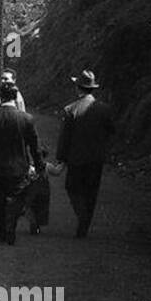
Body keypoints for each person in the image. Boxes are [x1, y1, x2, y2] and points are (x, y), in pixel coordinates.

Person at [0, 82, 43, 244]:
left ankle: (0, 234)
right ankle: (10, 228)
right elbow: (35, 147)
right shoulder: (26, 119)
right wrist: (39, 165)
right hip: (18, 168)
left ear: (0, 97)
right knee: (16, 200)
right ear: (15, 97)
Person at [55, 69, 115, 238]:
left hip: (76, 158)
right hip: (96, 158)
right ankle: (85, 223)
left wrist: (61, 158)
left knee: (72, 187)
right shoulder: (104, 109)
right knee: (91, 191)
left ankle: (82, 216)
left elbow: (65, 137)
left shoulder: (71, 109)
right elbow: (111, 132)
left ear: (77, 88)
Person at [25, 146, 53, 235]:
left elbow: (27, 177)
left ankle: (33, 224)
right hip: (44, 191)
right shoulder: (47, 166)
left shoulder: (30, 167)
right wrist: (63, 163)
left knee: (30, 208)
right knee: (41, 209)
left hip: (32, 191)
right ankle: (37, 226)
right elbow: (57, 171)